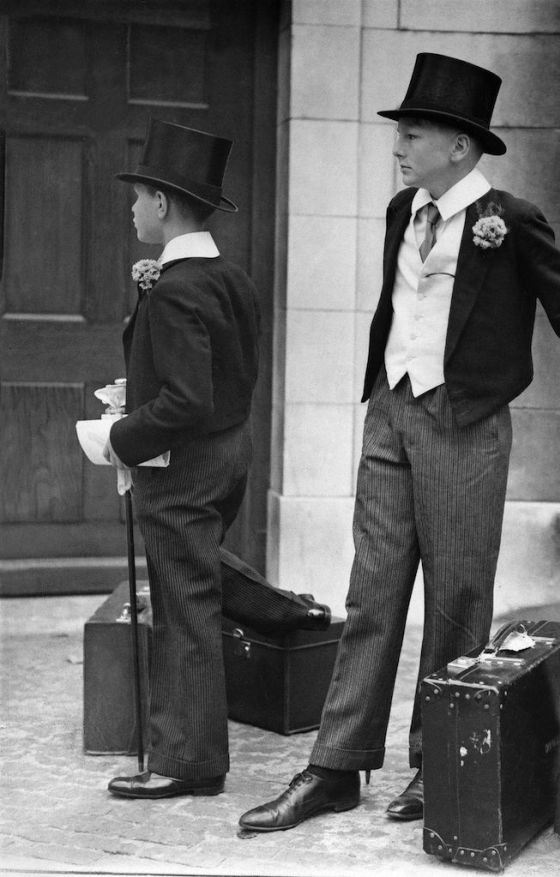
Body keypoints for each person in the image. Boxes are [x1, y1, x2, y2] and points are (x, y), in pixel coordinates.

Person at [239, 53, 560, 832]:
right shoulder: (399, 212)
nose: (399, 147)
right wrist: (385, 395)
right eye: (401, 133)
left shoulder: (510, 220)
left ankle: (435, 759)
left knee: (457, 598)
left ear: (459, 146)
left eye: (413, 134)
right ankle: (336, 765)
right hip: (390, 413)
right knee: (372, 591)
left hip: (465, 422)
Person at [106, 119, 330, 799]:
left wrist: (120, 437)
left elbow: (186, 399)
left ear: (163, 202)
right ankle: (284, 612)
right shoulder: (231, 278)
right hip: (231, 454)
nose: (133, 207)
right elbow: (220, 376)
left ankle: (187, 760)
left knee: (185, 607)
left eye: (139, 196)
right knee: (198, 578)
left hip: (184, 468)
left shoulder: (175, 288)